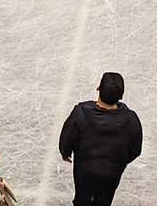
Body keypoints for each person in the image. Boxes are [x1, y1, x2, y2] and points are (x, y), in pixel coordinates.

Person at [59, 72, 143, 206]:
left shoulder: (81, 112)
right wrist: (122, 161)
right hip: (112, 172)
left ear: (98, 88)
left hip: (84, 169)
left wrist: (65, 152)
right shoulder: (131, 119)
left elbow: (68, 135)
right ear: (121, 96)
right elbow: (135, 149)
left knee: (82, 198)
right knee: (104, 200)